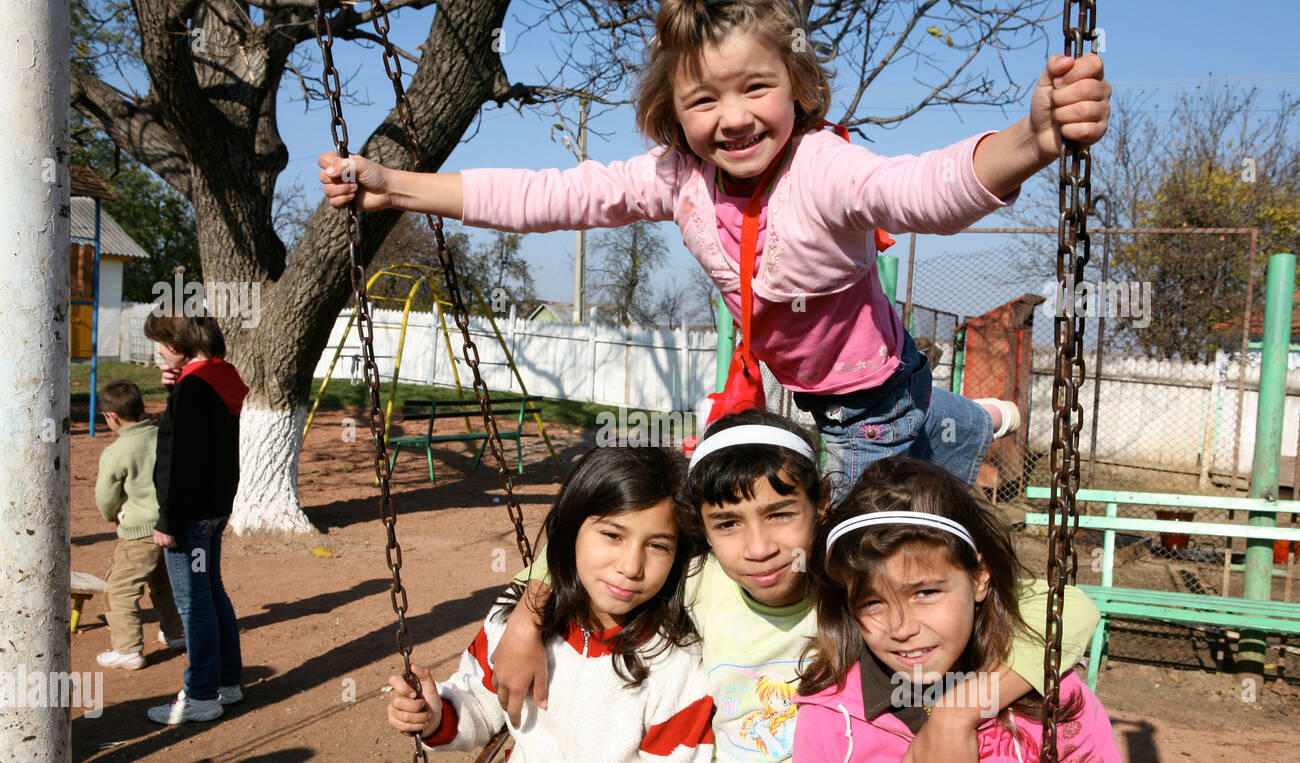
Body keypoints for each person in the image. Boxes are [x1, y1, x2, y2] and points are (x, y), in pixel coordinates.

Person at [318, 0, 1110, 498]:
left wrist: (1031, 139)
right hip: (825, 381)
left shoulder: (822, 167)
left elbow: (922, 190)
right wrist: (398, 186)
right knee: (920, 418)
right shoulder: (679, 178)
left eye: (755, 88)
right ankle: (973, 420)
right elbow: (546, 197)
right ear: (674, 110)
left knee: (846, 551)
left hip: (865, 404)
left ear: (796, 87)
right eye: (703, 99)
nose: (732, 117)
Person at [494, 410, 1092, 763]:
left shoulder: (852, 589)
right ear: (701, 530)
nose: (758, 549)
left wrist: (957, 714)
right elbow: (566, 557)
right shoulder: (698, 581)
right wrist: (525, 620)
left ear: (822, 504)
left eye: (781, 514)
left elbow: (1074, 610)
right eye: (728, 524)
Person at [792, 456, 1151, 763]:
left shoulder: (1051, 697)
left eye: (925, 592)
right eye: (872, 603)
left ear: (979, 577)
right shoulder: (832, 718)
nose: (901, 627)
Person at [387, 446, 714, 763]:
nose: (631, 565)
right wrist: (437, 715)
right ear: (572, 530)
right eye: (612, 535)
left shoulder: (675, 665)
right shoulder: (520, 626)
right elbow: (482, 702)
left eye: (657, 545)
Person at [143, 312, 249, 725]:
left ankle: (202, 693)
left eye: (161, 344)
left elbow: (179, 459)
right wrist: (177, 386)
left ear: (178, 344)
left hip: (188, 516)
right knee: (211, 593)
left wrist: (168, 519)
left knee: (193, 603)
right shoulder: (218, 377)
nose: (157, 352)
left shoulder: (192, 389)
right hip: (213, 509)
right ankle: (227, 681)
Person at [93, 380, 186, 670]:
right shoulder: (164, 437)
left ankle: (128, 649)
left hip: (138, 534)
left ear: (112, 416)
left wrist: (112, 515)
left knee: (119, 590)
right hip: (171, 526)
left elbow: (106, 497)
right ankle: (176, 633)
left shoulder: (116, 452)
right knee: (163, 584)